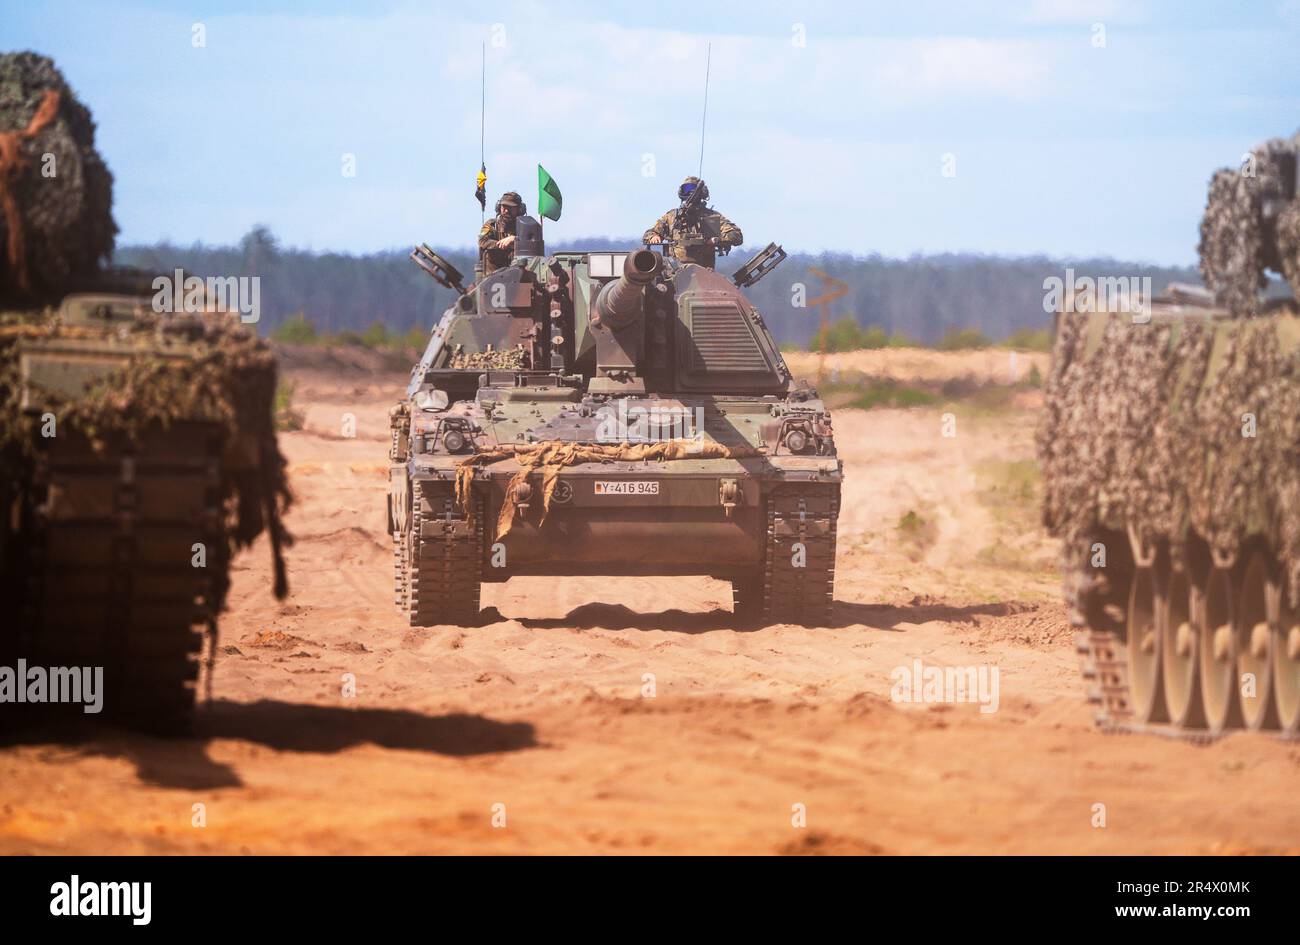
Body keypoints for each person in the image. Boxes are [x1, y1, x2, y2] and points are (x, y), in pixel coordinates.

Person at [642, 177, 742, 268]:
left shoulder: (712, 217)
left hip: (704, 272)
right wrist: (654, 237)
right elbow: (648, 234)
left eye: (694, 188)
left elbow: (736, 236)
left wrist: (716, 240)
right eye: (687, 188)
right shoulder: (672, 216)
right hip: (674, 271)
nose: (690, 192)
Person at [478, 192, 525, 274]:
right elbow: (482, 241)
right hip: (494, 278)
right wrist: (502, 244)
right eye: (504, 207)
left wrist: (515, 239)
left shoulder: (525, 226)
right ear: (499, 207)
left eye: (510, 208)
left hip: (519, 276)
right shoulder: (492, 225)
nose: (506, 211)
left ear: (519, 209)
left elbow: (532, 244)